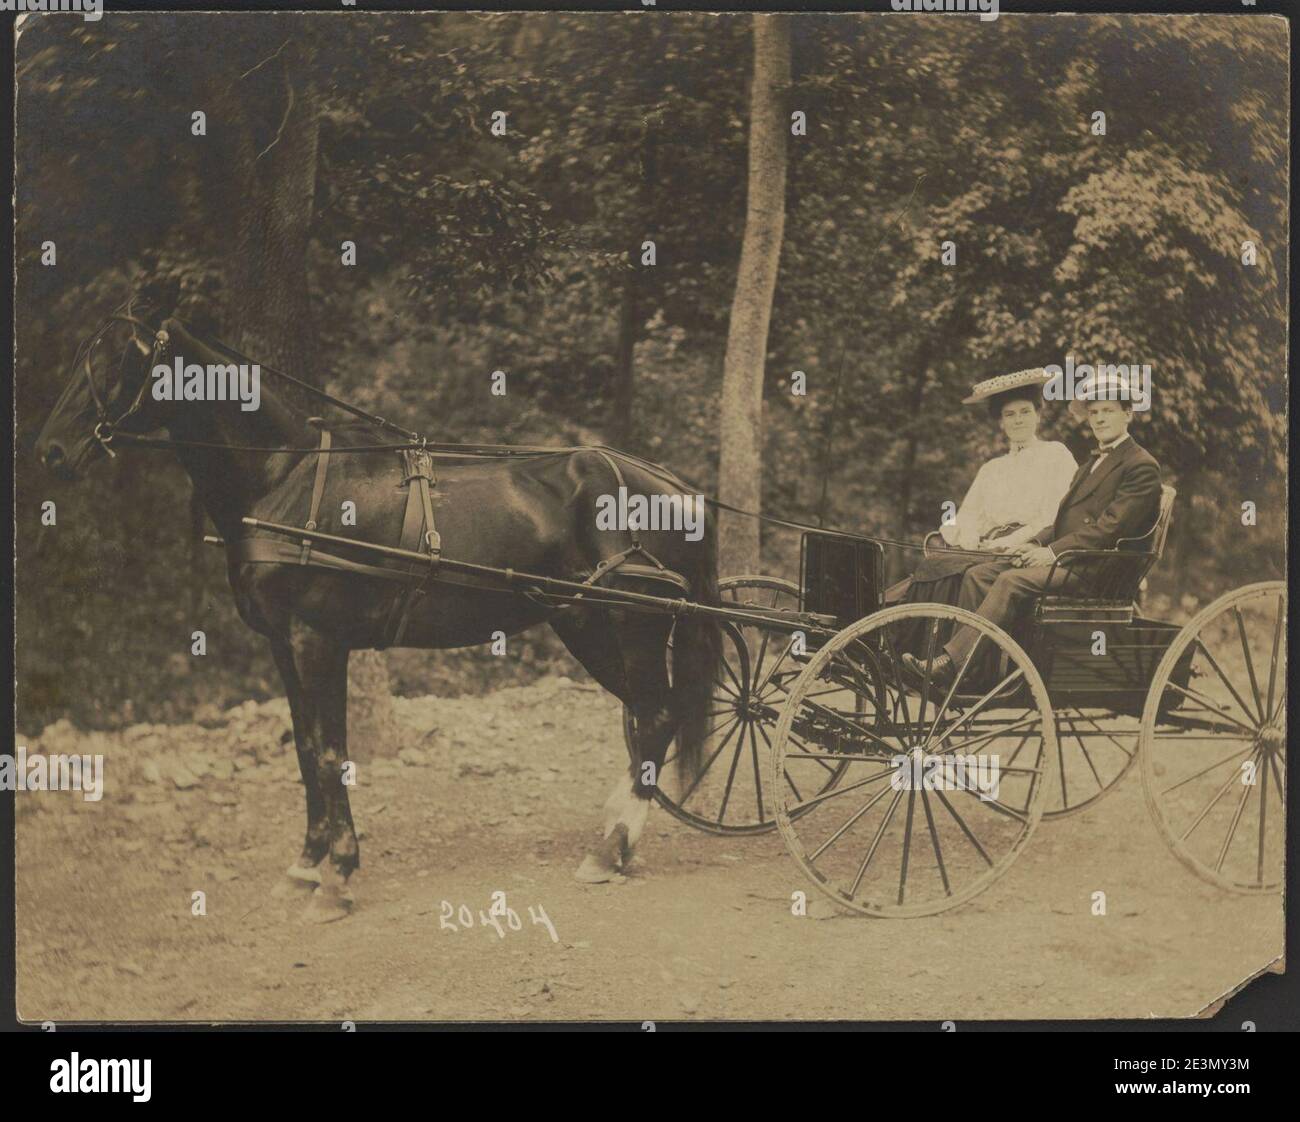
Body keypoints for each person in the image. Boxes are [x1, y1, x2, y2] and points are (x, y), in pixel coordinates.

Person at [903, 368, 1163, 688]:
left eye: (1108, 411)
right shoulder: (1091, 465)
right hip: (1073, 558)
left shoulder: (1140, 465)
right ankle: (973, 669)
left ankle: (953, 662)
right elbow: (1063, 519)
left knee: (1011, 581)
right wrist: (1037, 544)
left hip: (1096, 569)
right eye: (1094, 413)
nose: (1099, 419)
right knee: (978, 573)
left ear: (1128, 414)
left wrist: (1052, 553)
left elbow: (1109, 528)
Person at [886, 368, 1078, 619]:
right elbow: (966, 516)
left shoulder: (1055, 455)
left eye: (1025, 412)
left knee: (955, 571)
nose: (1018, 420)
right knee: (934, 566)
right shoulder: (992, 468)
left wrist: (1009, 542)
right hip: (986, 549)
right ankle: (915, 636)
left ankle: (956, 653)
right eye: (1009, 415)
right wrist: (972, 537)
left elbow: (1054, 517)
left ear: (1038, 415)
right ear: (1001, 422)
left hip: (1024, 549)